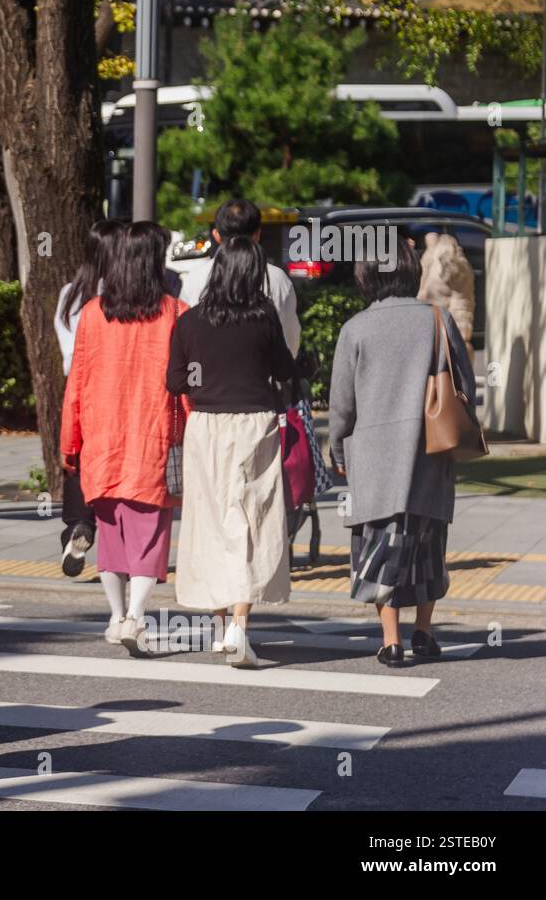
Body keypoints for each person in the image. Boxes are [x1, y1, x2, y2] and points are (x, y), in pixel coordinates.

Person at [329, 239, 475, 667]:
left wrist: (338, 450)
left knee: (380, 549)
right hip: (431, 454)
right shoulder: (438, 318)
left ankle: (390, 641)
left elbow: (342, 406)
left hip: (375, 461)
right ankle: (424, 633)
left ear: (367, 274)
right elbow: (464, 386)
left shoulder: (355, 328)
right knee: (427, 547)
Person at [167, 236, 296, 667]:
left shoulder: (190, 322)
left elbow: (174, 382)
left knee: (212, 522)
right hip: (256, 424)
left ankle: (223, 629)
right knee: (251, 520)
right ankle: (240, 627)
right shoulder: (264, 318)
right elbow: (284, 371)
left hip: (205, 428)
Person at [61, 221, 185, 655]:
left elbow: (76, 383)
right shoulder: (175, 312)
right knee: (150, 535)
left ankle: (114, 617)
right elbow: (186, 387)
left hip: (102, 442)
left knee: (111, 534)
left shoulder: (93, 313)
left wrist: (69, 443)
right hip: (152, 441)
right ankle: (136, 616)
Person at [52, 221, 121, 578]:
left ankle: (79, 525)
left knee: (77, 460)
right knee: (112, 465)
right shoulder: (121, 296)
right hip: (113, 392)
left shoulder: (69, 294)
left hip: (75, 388)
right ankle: (111, 537)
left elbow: (68, 350)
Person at [178, 198, 300, 359]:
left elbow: (184, 338)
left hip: (206, 380)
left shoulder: (194, 279)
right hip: (263, 380)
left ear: (216, 235)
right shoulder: (278, 279)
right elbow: (290, 342)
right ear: (257, 234)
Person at [418, 231, 476, 347]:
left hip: (453, 321)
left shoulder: (446, 252)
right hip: (436, 323)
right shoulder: (429, 257)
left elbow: (460, 293)